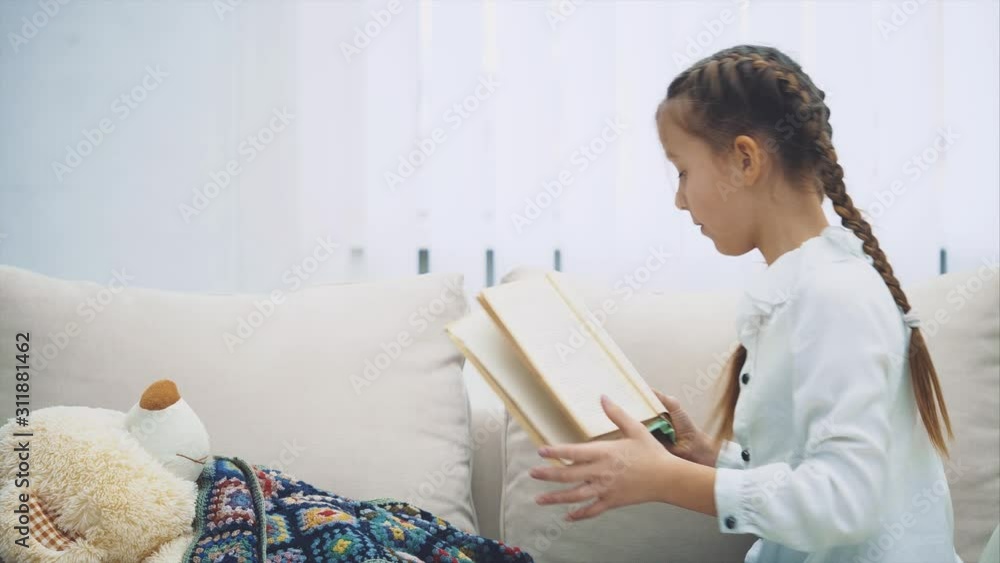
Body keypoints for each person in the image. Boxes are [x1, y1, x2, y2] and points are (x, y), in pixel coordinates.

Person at [528, 44, 961, 563]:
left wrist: (666, 480)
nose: (679, 199)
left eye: (682, 171)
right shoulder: (810, 286)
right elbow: (809, 474)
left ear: (745, 160)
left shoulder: (833, 297)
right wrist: (708, 459)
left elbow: (845, 502)